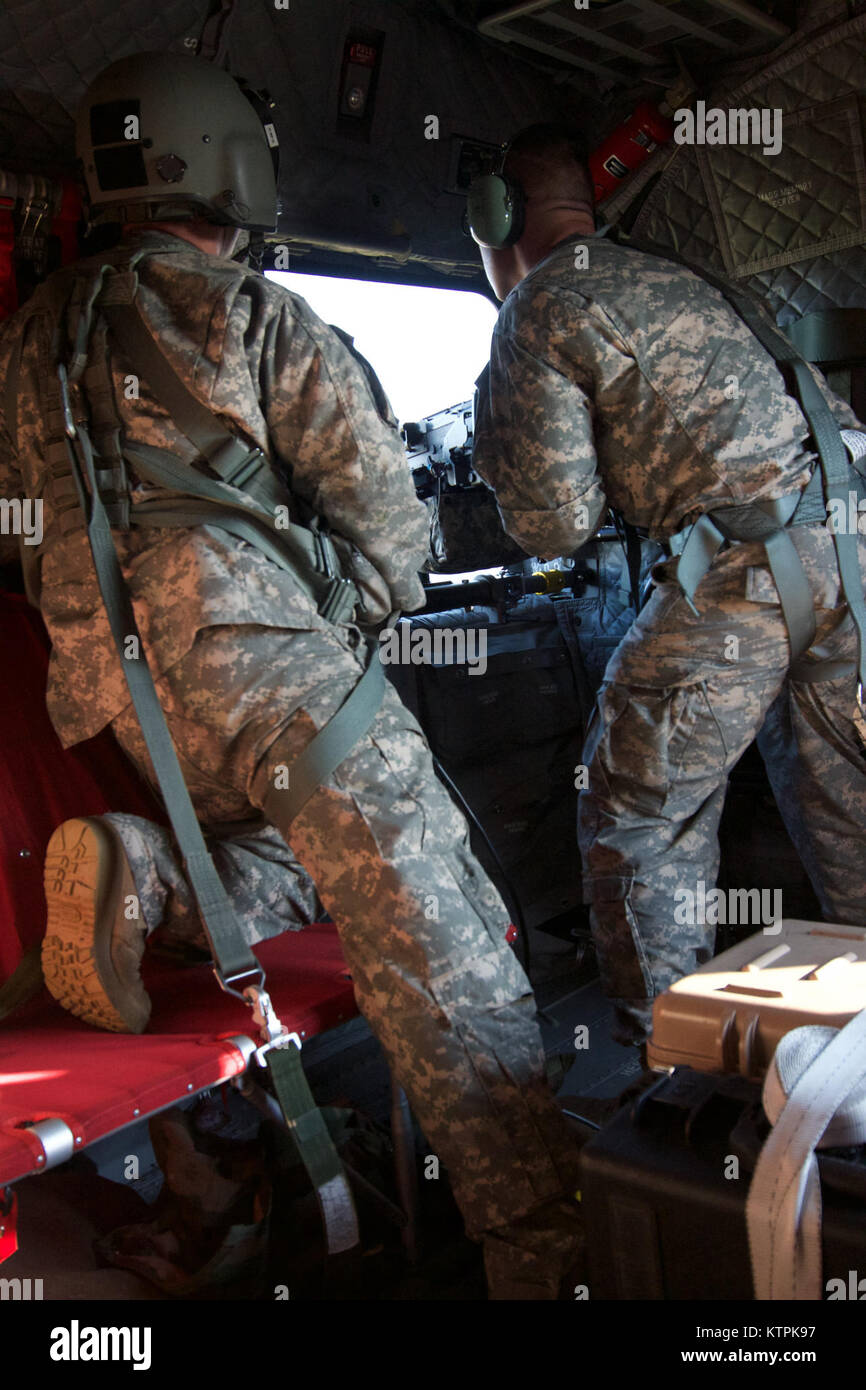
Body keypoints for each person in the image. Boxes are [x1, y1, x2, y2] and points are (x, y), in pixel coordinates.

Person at [0, 57, 583, 1298]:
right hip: (273, 682)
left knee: (278, 861)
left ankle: (141, 868)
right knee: (448, 950)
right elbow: (391, 525)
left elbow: (23, 530)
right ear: (230, 169)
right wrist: (345, 625)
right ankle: (551, 1248)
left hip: (125, 706)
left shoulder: (30, 340)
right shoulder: (253, 319)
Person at [469, 123, 866, 1051]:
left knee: (638, 811)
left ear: (498, 218)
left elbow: (555, 527)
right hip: (851, 544)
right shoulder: (673, 274)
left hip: (745, 566)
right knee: (845, 799)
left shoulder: (540, 307)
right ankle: (853, 1063)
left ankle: (668, 1071)